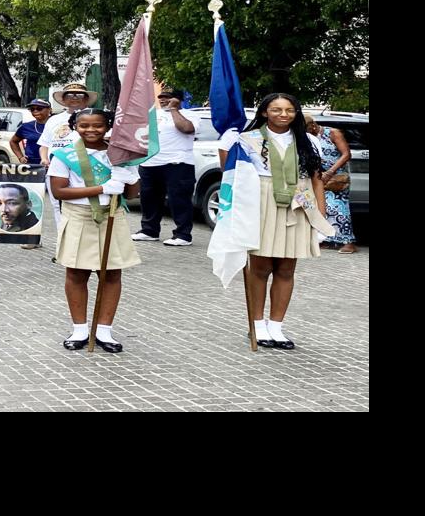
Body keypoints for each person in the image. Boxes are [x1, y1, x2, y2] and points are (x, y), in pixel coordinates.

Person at [218, 94, 332, 349]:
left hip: (298, 202)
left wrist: (320, 216)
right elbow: (232, 175)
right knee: (260, 267)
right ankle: (257, 324)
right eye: (276, 109)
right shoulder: (247, 139)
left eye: (290, 110)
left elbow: (316, 179)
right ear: (264, 112)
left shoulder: (309, 140)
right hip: (261, 202)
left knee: (286, 268)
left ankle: (276, 326)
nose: (283, 114)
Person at [48, 108, 140, 352]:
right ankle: (79, 330)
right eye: (84, 125)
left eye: (98, 125)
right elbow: (59, 191)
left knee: (111, 274)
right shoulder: (64, 155)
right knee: (77, 273)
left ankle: (104, 331)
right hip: (79, 215)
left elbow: (132, 194)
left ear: (108, 126)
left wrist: (129, 176)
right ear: (75, 127)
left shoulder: (120, 155)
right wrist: (102, 188)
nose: (91, 130)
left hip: (112, 216)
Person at [130, 88, 198, 246]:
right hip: (150, 162)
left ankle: (183, 235)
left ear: (178, 99)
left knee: (178, 200)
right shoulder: (153, 114)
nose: (163, 100)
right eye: (161, 97)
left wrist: (173, 109)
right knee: (149, 198)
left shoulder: (190, 115)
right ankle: (149, 231)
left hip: (177, 163)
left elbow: (186, 128)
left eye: (168, 97)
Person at [306, 114, 358, 254]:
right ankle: (329, 239)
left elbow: (346, 154)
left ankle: (348, 242)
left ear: (313, 125)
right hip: (319, 177)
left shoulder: (333, 133)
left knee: (339, 208)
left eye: (308, 129)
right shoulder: (307, 137)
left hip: (336, 178)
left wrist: (330, 172)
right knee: (324, 208)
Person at [38, 82, 97, 165]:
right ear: (63, 99)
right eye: (69, 95)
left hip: (86, 167)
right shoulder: (53, 119)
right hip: (55, 166)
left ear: (87, 99)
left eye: (80, 95)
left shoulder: (96, 117)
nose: (74, 97)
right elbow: (45, 145)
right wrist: (44, 159)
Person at [10, 98, 50, 166]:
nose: (35, 111)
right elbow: (13, 141)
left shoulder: (57, 125)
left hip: (53, 163)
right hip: (33, 165)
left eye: (39, 108)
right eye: (32, 109)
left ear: (49, 109)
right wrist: (21, 157)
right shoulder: (26, 126)